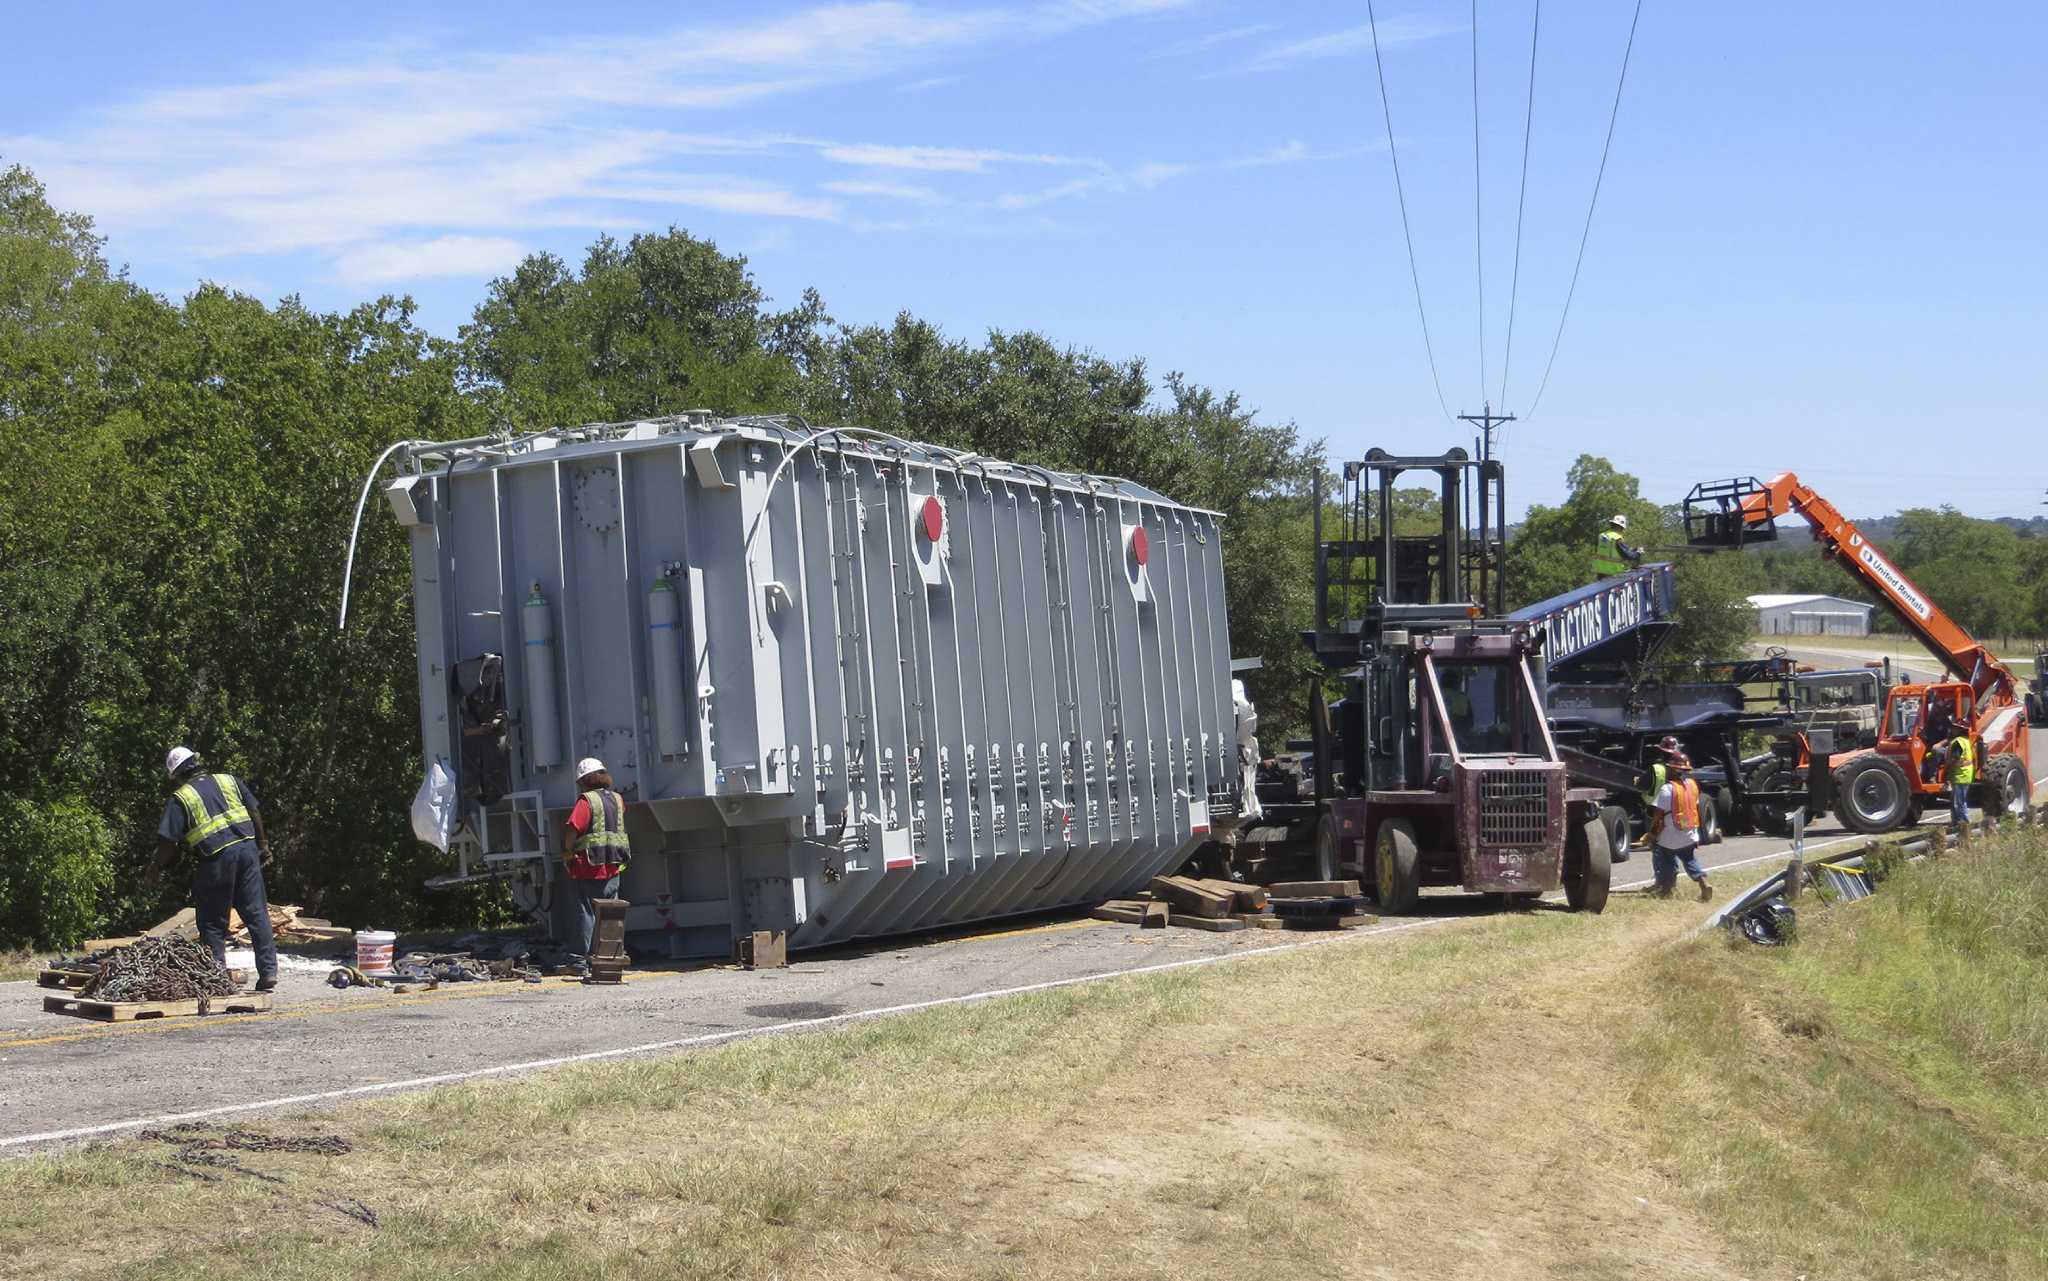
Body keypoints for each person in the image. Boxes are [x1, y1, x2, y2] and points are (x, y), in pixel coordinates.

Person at [155, 746, 279, 991]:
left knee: (213, 921)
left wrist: (155, 869)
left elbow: (168, 842)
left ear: (176, 775)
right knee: (256, 913)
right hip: (247, 850)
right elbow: (254, 811)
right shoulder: (229, 780)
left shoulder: (182, 798)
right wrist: (263, 845)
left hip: (217, 858)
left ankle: (217, 978)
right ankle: (268, 972)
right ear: (197, 762)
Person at [560, 756, 633, 975]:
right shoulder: (618, 799)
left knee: (586, 914)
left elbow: (573, 829)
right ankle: (609, 958)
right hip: (613, 866)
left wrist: (567, 852)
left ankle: (577, 962)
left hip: (589, 866)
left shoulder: (587, 801)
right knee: (610, 915)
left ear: (584, 780)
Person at [1648, 752, 1713, 902]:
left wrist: (1652, 834)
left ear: (1672, 770)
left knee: (1666, 858)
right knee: (1689, 860)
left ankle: (1668, 890)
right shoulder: (1692, 786)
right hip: (1689, 833)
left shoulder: (1667, 789)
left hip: (1671, 835)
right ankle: (1703, 882)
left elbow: (1658, 815)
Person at [1591, 514, 1643, 581]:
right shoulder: (1617, 538)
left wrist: (1631, 550)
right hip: (1613, 573)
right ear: (1620, 527)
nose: (1622, 530)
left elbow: (1610, 551)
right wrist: (1638, 552)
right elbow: (1628, 556)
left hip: (1601, 572)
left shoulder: (1602, 536)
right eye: (1622, 528)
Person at [1946, 732, 1975, 828]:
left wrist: (1948, 763)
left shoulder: (1957, 742)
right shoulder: (1966, 741)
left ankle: (1964, 823)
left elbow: (1956, 757)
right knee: (1958, 801)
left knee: (1959, 802)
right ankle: (1956, 821)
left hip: (1960, 775)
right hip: (1964, 774)